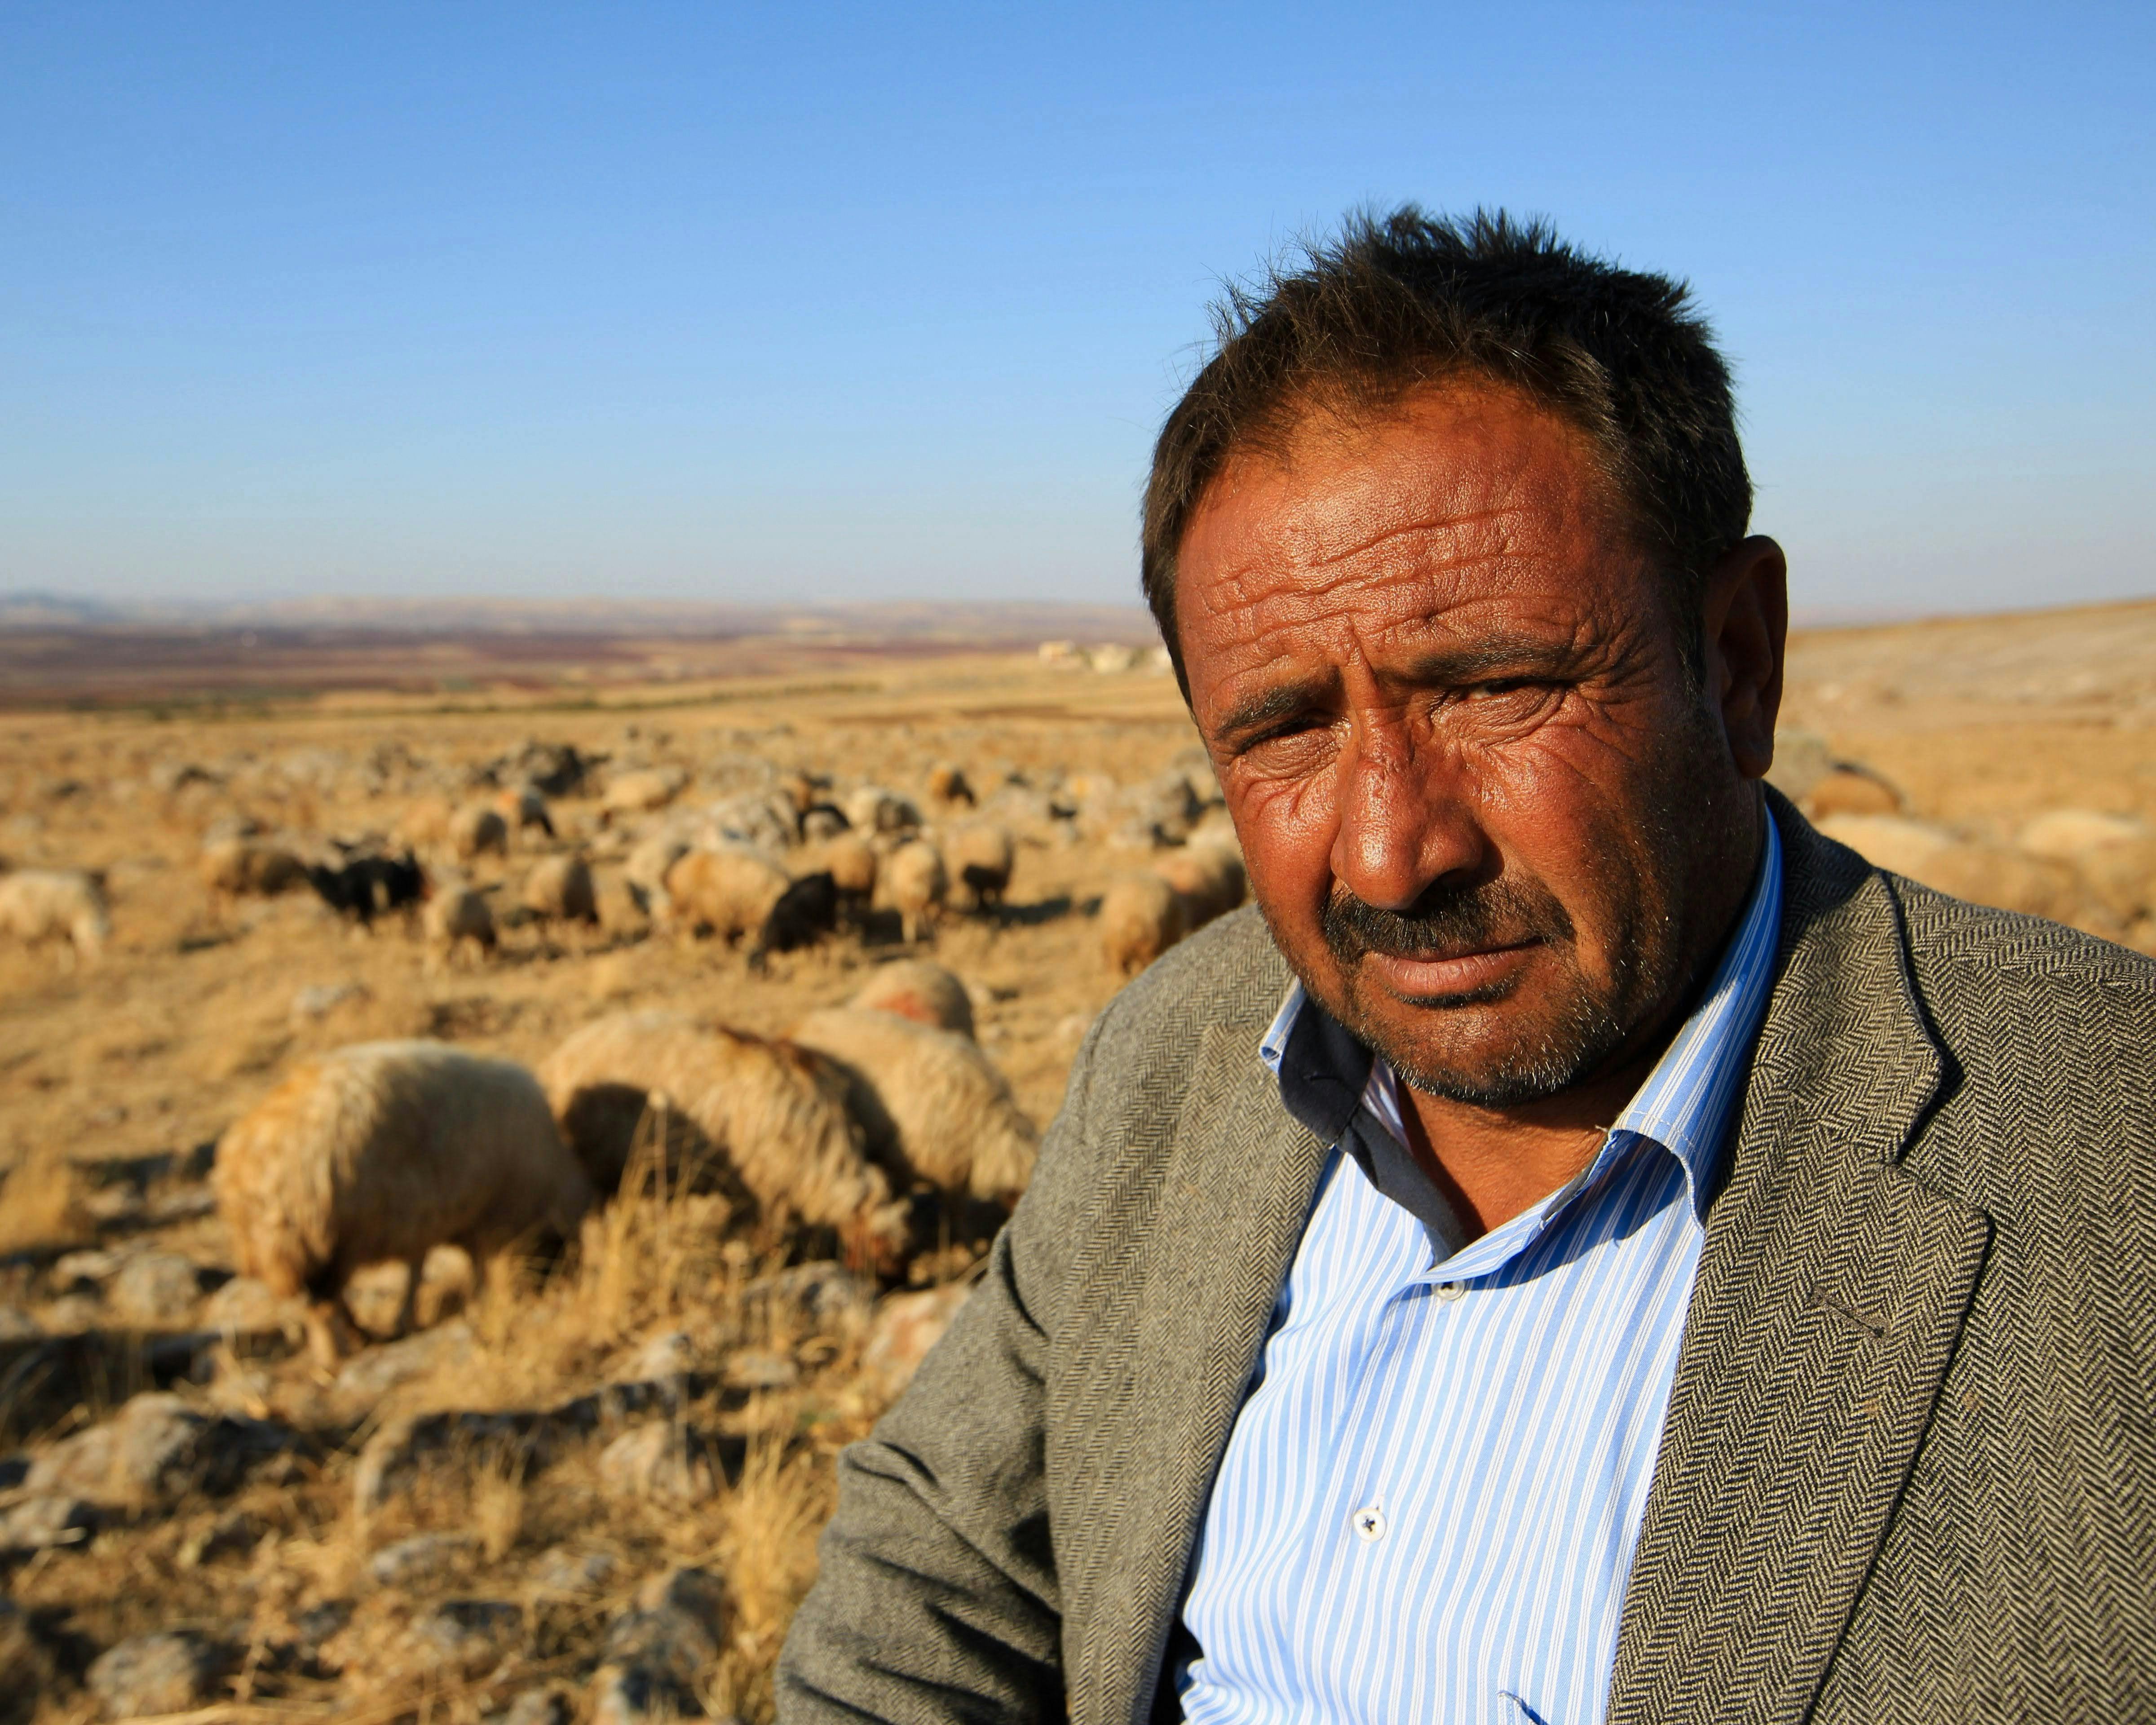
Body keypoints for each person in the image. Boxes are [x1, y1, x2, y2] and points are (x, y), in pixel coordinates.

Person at [778, 210, 2156, 1724]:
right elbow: (940, 1561)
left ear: (1738, 661)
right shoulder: (1176, 1051)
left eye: (1497, 687)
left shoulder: (2108, 1175)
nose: (1389, 857)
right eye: (1283, 730)